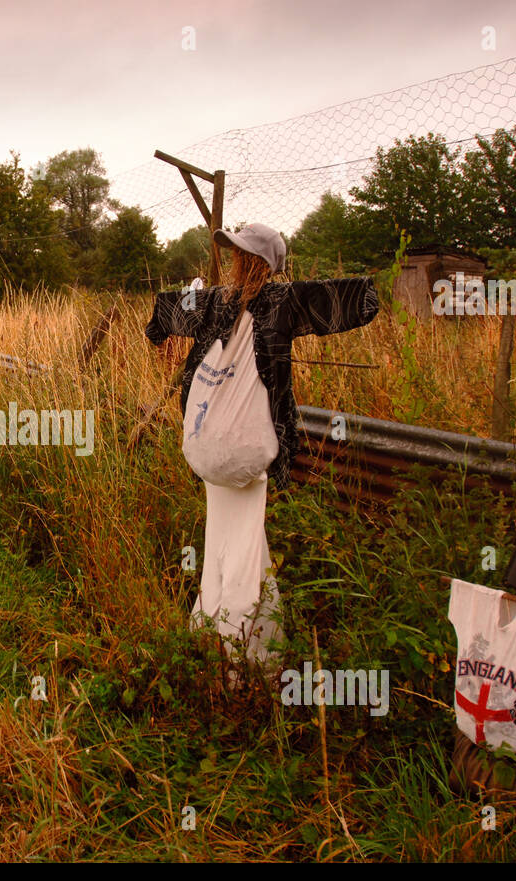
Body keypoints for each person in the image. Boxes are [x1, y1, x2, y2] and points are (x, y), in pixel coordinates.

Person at [146, 223, 381, 677]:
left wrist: (157, 332)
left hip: (207, 448)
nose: (238, 262)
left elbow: (166, 312)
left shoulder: (215, 301)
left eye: (241, 256)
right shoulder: (281, 301)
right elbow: (357, 302)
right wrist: (371, 291)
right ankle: (240, 648)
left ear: (246, 261)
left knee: (226, 539)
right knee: (244, 541)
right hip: (247, 452)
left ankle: (220, 632)